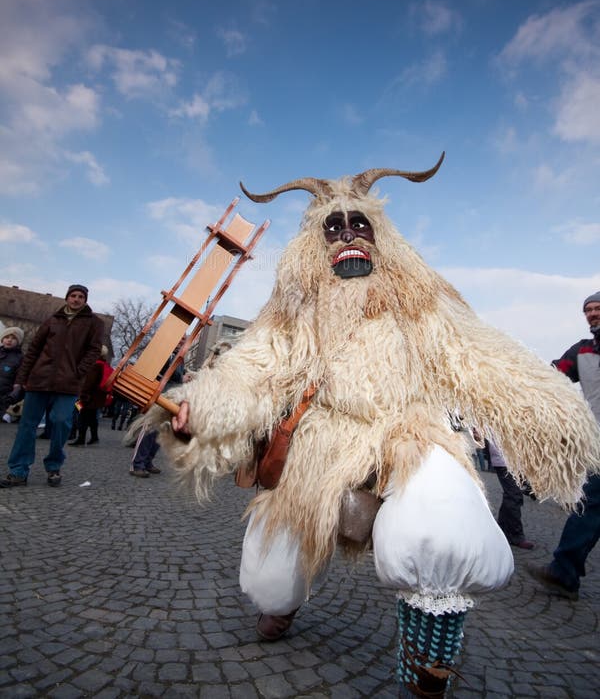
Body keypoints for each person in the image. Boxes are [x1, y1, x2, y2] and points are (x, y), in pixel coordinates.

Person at [149, 161, 599, 698]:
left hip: (405, 434)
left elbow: (479, 354)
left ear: (379, 234)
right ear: (315, 243)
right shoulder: (293, 308)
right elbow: (253, 369)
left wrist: (557, 416)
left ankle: (426, 668)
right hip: (317, 444)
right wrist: (200, 409)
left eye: (358, 224)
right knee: (269, 582)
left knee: (444, 527)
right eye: (333, 227)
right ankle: (283, 604)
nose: (347, 236)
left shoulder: (421, 300)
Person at [527, 291, 600, 600]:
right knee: (590, 506)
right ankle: (564, 572)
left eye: (597, 308)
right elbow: (553, 375)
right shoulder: (582, 351)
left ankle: (565, 572)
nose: (592, 314)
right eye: (588, 310)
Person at [0, 285, 104, 488]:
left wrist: (78, 372)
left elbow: (94, 351)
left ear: (85, 300)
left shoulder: (94, 323)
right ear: (67, 298)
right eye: (73, 295)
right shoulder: (53, 320)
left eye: (80, 296)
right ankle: (18, 471)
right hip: (39, 380)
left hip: (68, 383)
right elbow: (34, 350)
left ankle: (54, 466)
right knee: (27, 426)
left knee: (61, 422)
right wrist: (22, 378)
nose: (76, 299)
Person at [130, 341, 190, 478]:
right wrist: (182, 378)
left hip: (169, 398)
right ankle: (137, 464)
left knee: (160, 432)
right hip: (159, 396)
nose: (182, 342)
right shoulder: (166, 352)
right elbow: (164, 371)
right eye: (180, 339)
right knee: (149, 430)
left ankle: (147, 461)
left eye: (184, 340)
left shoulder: (179, 356)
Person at [488, 440, 535, 550]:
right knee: (514, 495)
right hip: (504, 459)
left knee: (510, 496)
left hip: (514, 460)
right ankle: (516, 536)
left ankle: (500, 530)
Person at [68, 346, 113, 446]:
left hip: (88, 398)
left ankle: (81, 439)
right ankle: (94, 437)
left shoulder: (95, 365)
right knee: (92, 418)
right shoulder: (104, 365)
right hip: (97, 398)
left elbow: (89, 383)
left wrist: (83, 395)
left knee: (82, 417)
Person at [0, 326, 24, 420]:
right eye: (7, 337)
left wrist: (13, 395)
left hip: (5, 397)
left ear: (18, 342)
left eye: (13, 338)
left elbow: (20, 378)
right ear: (2, 339)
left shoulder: (20, 358)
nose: (9, 340)